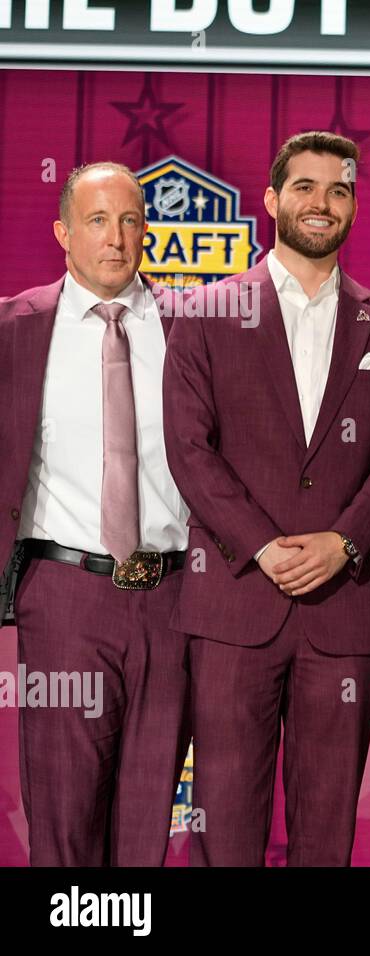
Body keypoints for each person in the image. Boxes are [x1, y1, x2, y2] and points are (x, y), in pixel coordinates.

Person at [163, 131, 370, 866]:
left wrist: (344, 542)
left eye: (339, 190)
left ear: (354, 208)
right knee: (225, 829)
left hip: (345, 610)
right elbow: (189, 449)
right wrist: (263, 546)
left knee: (327, 833)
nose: (322, 203)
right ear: (273, 199)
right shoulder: (207, 313)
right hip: (234, 605)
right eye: (305, 187)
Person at [0, 162, 189, 865]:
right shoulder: (14, 328)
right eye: (98, 221)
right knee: (65, 819)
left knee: (146, 819)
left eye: (130, 220)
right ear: (63, 233)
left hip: (174, 598)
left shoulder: (193, 326)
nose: (116, 237)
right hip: (65, 597)